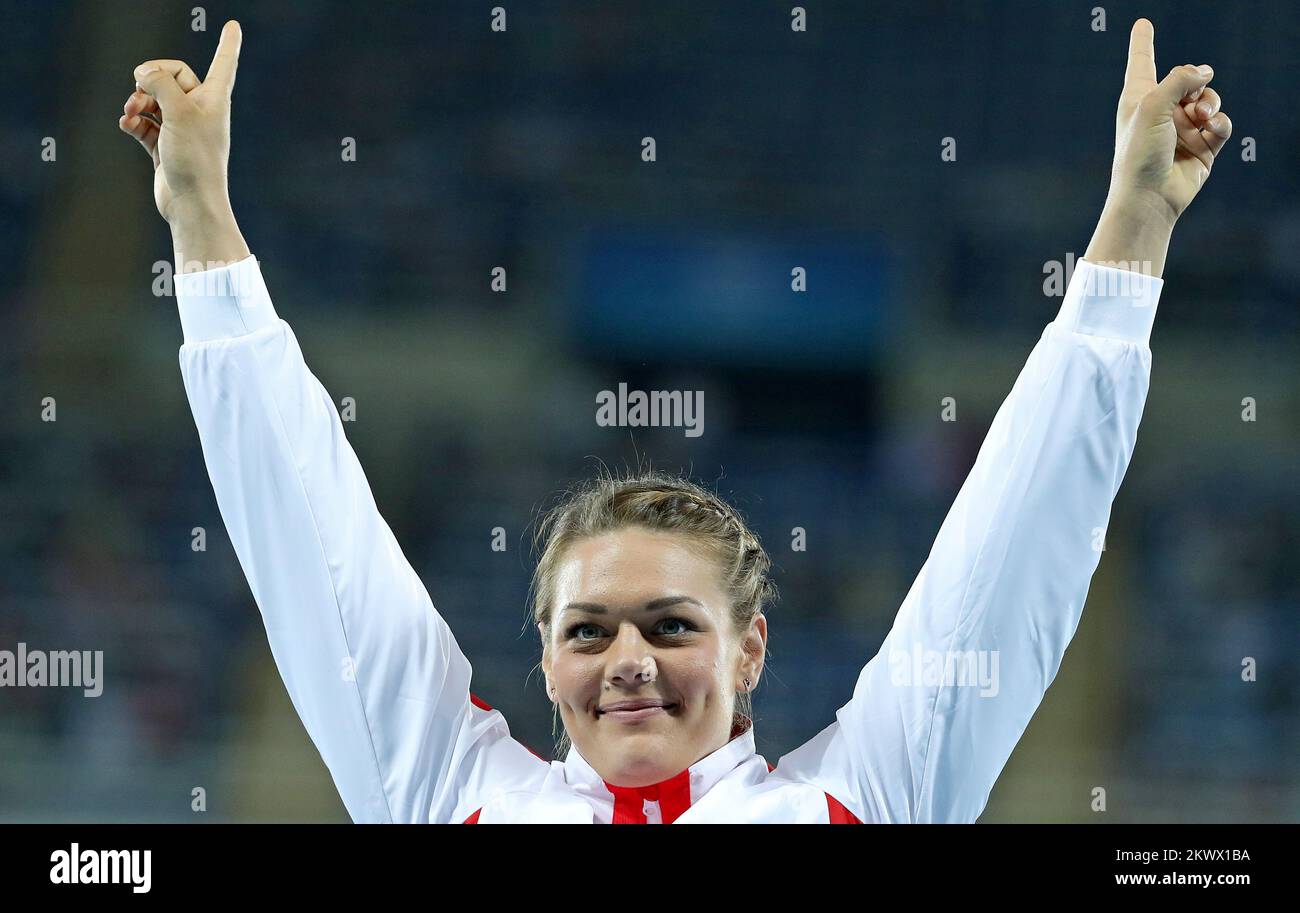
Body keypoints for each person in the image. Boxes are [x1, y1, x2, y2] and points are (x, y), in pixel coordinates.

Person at [119, 18, 1231, 823]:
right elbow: (312, 543)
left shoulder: (868, 796)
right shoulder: (445, 793)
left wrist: (1130, 233)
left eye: (671, 624)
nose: (629, 662)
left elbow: (1015, 543)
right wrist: (201, 217)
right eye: (588, 629)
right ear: (546, 659)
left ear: (749, 646)